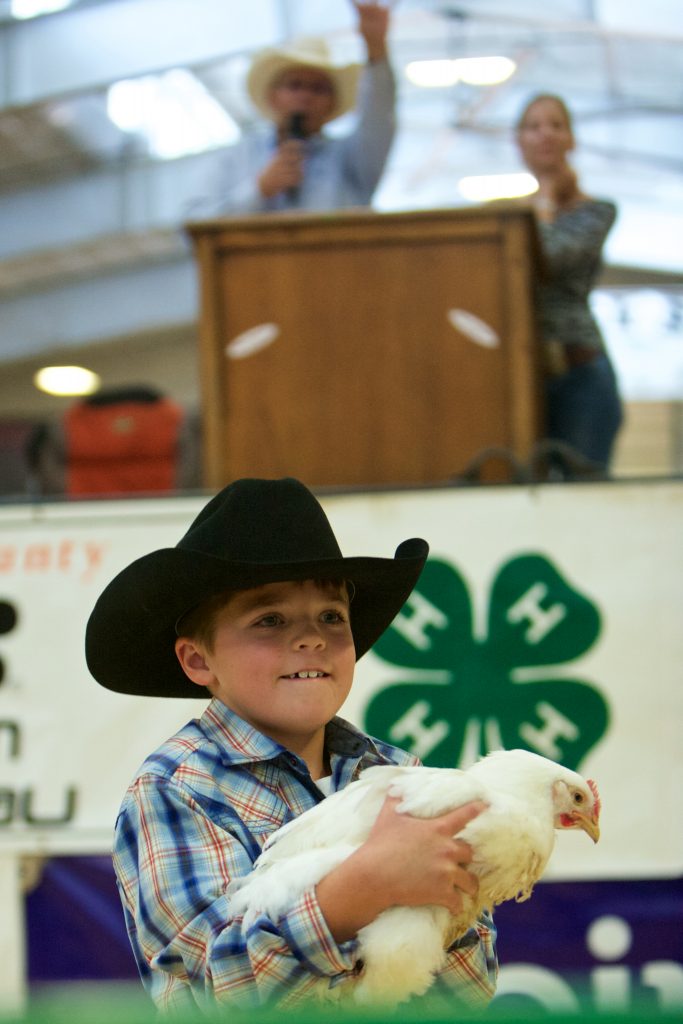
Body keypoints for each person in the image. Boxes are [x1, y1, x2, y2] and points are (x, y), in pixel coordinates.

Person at [85, 476, 498, 1011]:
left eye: (332, 616)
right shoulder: (176, 790)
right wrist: (366, 886)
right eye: (270, 619)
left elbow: (471, 989)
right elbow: (217, 990)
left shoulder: (398, 772)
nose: (311, 638)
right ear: (197, 661)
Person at [188, 3, 396, 217]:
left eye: (318, 89)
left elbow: (378, 120)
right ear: (272, 96)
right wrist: (259, 190)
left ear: (333, 102)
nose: (305, 96)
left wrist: (376, 52)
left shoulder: (351, 159)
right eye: (294, 85)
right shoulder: (233, 160)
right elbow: (195, 226)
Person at [516, 93, 623, 479]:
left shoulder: (596, 211)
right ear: (519, 140)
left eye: (555, 125)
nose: (545, 134)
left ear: (571, 140)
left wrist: (543, 204)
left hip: (580, 375)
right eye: (533, 126)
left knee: (584, 489)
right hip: (521, 375)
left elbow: (554, 257)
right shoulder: (506, 219)